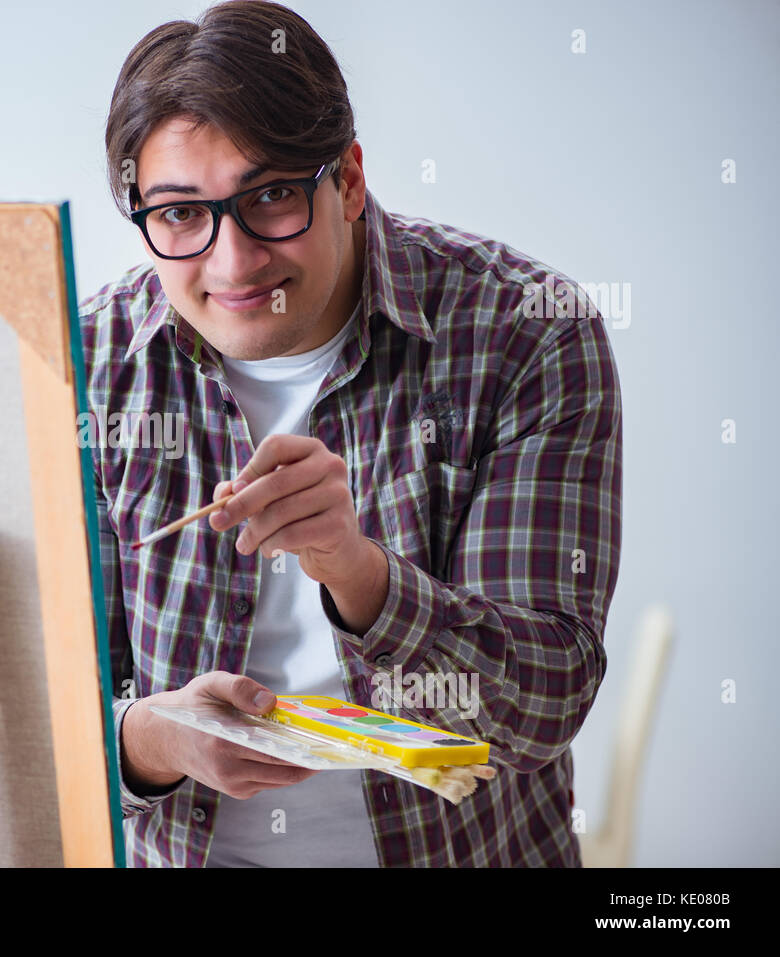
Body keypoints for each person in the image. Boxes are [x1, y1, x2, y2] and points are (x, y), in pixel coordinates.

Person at [79, 0, 622, 867]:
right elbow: (41, 709)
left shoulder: (527, 333)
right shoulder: (90, 366)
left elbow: (543, 706)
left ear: (351, 179)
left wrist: (357, 572)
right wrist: (149, 740)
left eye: (272, 195)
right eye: (181, 214)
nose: (234, 260)